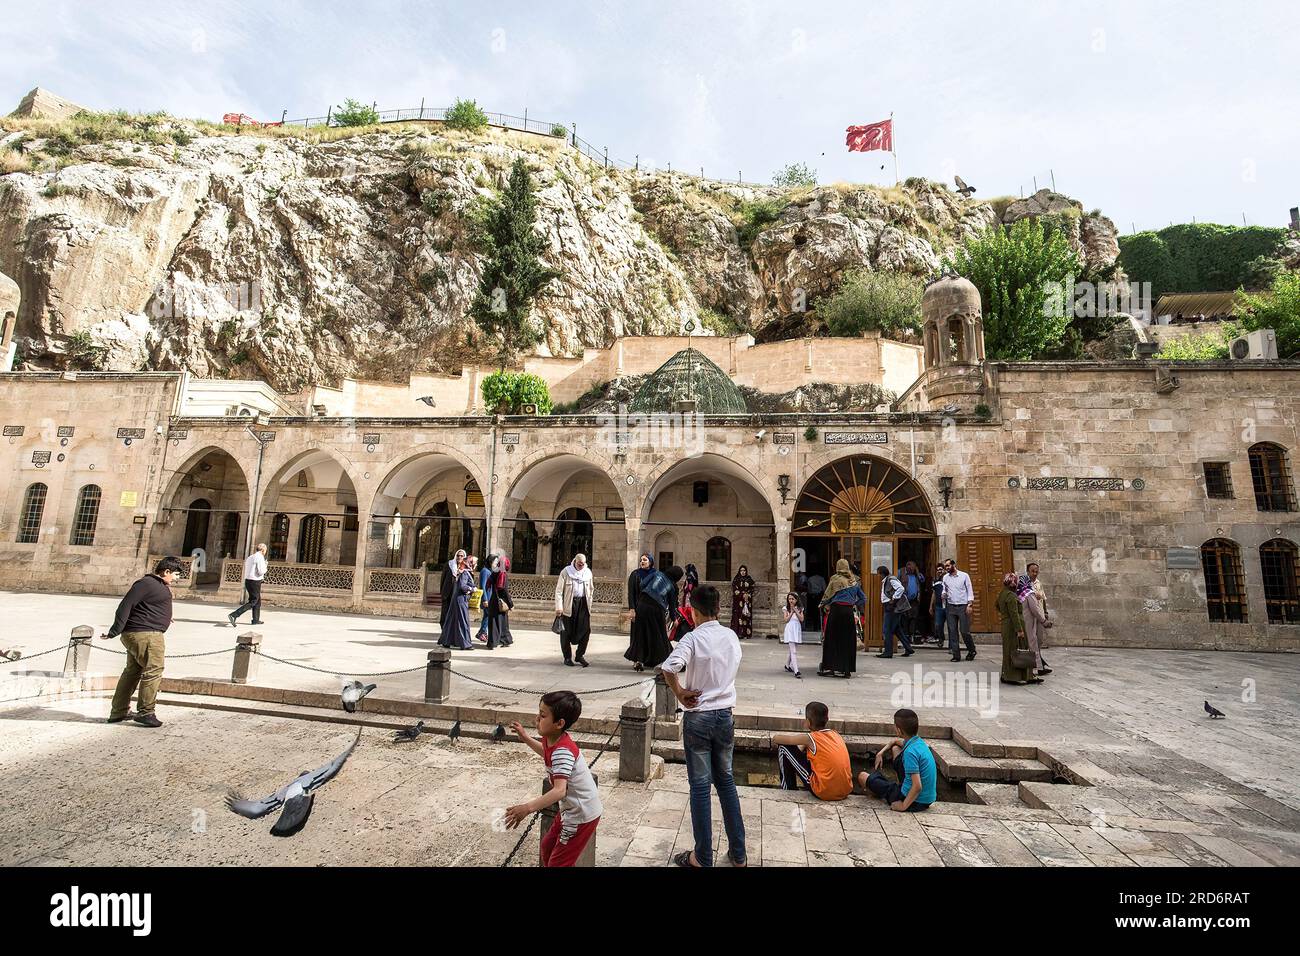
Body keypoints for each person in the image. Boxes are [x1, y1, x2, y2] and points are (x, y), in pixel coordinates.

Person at [660, 585, 746, 868]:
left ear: (693, 612)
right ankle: (738, 854)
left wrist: (680, 692)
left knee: (699, 787)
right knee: (727, 782)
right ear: (718, 609)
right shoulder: (731, 636)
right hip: (725, 715)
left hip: (699, 717)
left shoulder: (693, 638)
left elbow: (669, 667)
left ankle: (702, 857)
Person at [504, 691, 602, 867]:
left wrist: (527, 808)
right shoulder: (553, 740)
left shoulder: (562, 751)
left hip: (581, 814)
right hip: (570, 810)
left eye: (543, 715)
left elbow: (559, 790)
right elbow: (547, 754)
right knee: (548, 847)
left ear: (559, 723)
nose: (537, 718)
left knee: (558, 863)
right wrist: (526, 738)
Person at [101, 556, 183, 727]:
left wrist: (166, 616)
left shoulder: (157, 586)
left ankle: (119, 711)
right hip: (146, 635)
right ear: (166, 571)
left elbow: (149, 605)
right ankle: (146, 712)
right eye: (175, 574)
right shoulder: (147, 583)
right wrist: (114, 630)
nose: (177, 578)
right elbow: (126, 605)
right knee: (153, 670)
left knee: (132, 672)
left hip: (143, 632)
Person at [858, 708, 936, 813]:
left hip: (913, 800)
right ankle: (895, 786)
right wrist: (881, 752)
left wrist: (903, 806)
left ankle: (884, 793)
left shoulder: (910, 753)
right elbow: (895, 742)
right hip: (927, 799)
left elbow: (917, 786)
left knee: (862, 776)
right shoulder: (918, 743)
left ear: (899, 730)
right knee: (896, 748)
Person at [773, 701, 853, 800]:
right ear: (827, 719)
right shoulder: (836, 735)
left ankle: (787, 790)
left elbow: (777, 739)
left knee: (783, 748)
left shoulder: (810, 738)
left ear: (808, 722)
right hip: (845, 790)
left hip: (824, 791)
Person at [624, 556, 677, 672]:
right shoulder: (672, 586)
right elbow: (672, 605)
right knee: (659, 635)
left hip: (642, 605)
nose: (642, 562)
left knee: (640, 634)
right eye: (641, 559)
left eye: (645, 559)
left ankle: (640, 660)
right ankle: (665, 660)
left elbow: (642, 585)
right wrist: (674, 618)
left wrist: (647, 593)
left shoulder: (656, 574)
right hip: (656, 609)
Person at [818, 559, 865, 678]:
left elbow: (828, 595)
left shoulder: (835, 579)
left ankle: (831, 668)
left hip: (836, 611)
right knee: (847, 640)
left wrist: (823, 604)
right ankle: (846, 670)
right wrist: (853, 603)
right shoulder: (854, 581)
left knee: (832, 639)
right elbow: (863, 598)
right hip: (848, 612)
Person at [997, 573, 1039, 685]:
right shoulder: (1011, 596)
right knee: (1017, 649)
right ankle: (1017, 676)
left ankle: (1007, 674)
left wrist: (1004, 615)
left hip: (1006, 624)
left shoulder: (1002, 594)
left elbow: (997, 605)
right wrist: (1019, 630)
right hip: (1013, 626)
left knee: (1008, 650)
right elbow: (1014, 614)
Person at [554, 553, 593, 667]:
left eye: (583, 564)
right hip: (569, 605)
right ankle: (567, 657)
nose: (581, 566)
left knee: (586, 631)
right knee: (566, 632)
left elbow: (591, 589)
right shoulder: (566, 572)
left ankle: (580, 655)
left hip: (583, 605)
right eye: (579, 564)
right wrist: (559, 607)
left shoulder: (588, 572)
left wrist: (589, 602)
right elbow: (559, 591)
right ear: (575, 561)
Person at [942, 558, 977, 662]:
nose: (947, 568)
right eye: (945, 567)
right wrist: (943, 594)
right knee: (952, 631)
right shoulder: (945, 578)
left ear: (953, 565)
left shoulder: (964, 576)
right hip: (951, 606)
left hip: (963, 606)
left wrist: (970, 604)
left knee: (964, 631)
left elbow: (969, 589)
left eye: (948, 566)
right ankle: (956, 655)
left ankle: (971, 650)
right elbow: (944, 589)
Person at [876, 566, 914, 659]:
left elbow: (901, 588)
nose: (878, 575)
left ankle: (888, 652)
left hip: (892, 607)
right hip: (890, 606)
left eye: (879, 573)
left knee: (887, 630)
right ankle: (908, 648)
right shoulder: (887, 580)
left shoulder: (891, 579)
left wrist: (893, 599)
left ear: (882, 573)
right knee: (897, 630)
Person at [437, 555, 474, 650]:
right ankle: (465, 644)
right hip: (460, 600)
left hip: (456, 598)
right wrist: (472, 589)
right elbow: (463, 586)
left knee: (451, 620)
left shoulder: (463, 572)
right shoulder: (464, 573)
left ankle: (446, 641)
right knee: (463, 621)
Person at [228, 542, 267, 627]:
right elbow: (261, 571)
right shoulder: (260, 557)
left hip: (248, 581)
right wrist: (265, 566)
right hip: (255, 581)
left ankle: (255, 620)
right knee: (253, 601)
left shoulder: (250, 557)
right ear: (263, 550)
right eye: (265, 550)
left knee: (257, 601)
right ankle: (234, 615)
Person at [1024, 562, 1053, 675]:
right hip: (1030, 616)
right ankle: (1036, 666)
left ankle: (1039, 661)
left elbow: (1043, 598)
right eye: (1033, 571)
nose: (1035, 573)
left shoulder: (1038, 583)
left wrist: (1045, 612)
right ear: (1028, 572)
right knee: (1032, 640)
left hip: (1040, 615)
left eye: (1036, 571)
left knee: (1039, 639)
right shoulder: (1025, 585)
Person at [484, 556, 514, 649]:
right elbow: (504, 591)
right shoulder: (502, 574)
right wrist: (510, 604)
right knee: (503, 622)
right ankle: (505, 640)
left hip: (493, 601)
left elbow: (488, 584)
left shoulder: (495, 572)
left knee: (494, 622)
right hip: (501, 602)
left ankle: (494, 642)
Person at [438, 548, 467, 630]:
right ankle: (444, 630)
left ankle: (451, 632)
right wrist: (442, 593)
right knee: (445, 613)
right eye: (458, 555)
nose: (459, 557)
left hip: (458, 595)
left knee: (455, 614)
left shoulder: (465, 568)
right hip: (448, 593)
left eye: (461, 556)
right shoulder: (449, 564)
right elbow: (443, 579)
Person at [474, 553, 497, 642]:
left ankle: (482, 632)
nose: (496, 564)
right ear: (490, 561)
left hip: (491, 598)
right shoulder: (485, 571)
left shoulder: (490, 571)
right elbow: (482, 586)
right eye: (495, 562)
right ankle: (482, 633)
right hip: (487, 598)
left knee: (487, 616)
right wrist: (485, 599)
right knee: (488, 615)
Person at [729, 564, 755, 639]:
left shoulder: (749, 579)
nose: (743, 572)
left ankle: (746, 634)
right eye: (741, 570)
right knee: (739, 616)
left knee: (746, 617)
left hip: (747, 602)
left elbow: (752, 588)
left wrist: (747, 595)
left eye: (744, 570)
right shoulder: (736, 579)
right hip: (738, 602)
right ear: (739, 571)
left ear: (746, 571)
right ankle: (739, 633)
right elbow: (735, 589)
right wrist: (742, 594)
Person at [781, 592, 803, 678]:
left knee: (792, 649)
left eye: (792, 599)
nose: (791, 600)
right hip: (790, 629)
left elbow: (801, 619)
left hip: (796, 628)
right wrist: (791, 612)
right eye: (789, 599)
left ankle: (787, 665)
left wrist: (796, 611)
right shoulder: (785, 608)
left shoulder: (800, 608)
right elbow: (786, 620)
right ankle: (796, 671)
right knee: (793, 651)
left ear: (796, 600)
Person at [902, 561, 924, 642]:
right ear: (907, 567)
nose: (912, 569)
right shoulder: (901, 573)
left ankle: (912, 635)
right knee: (905, 618)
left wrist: (917, 572)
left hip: (914, 601)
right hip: (905, 600)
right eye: (911, 568)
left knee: (913, 618)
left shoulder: (916, 575)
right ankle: (905, 636)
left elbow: (922, 580)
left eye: (913, 568)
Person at [931, 564, 947, 646]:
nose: (939, 571)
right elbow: (933, 594)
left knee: (951, 626)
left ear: (944, 570)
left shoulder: (948, 579)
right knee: (938, 624)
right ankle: (941, 639)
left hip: (948, 606)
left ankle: (952, 646)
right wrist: (931, 606)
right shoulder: (935, 581)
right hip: (938, 606)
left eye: (941, 569)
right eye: (938, 570)